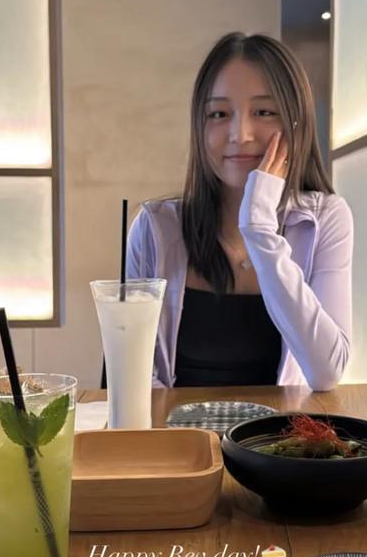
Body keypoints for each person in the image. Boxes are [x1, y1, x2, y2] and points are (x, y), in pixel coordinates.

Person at [127, 32, 353, 391]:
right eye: (219, 114)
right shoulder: (154, 228)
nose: (240, 134)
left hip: (284, 429)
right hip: (178, 427)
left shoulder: (324, 219)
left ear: (296, 124)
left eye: (263, 112)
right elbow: (134, 377)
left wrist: (259, 228)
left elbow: (326, 372)